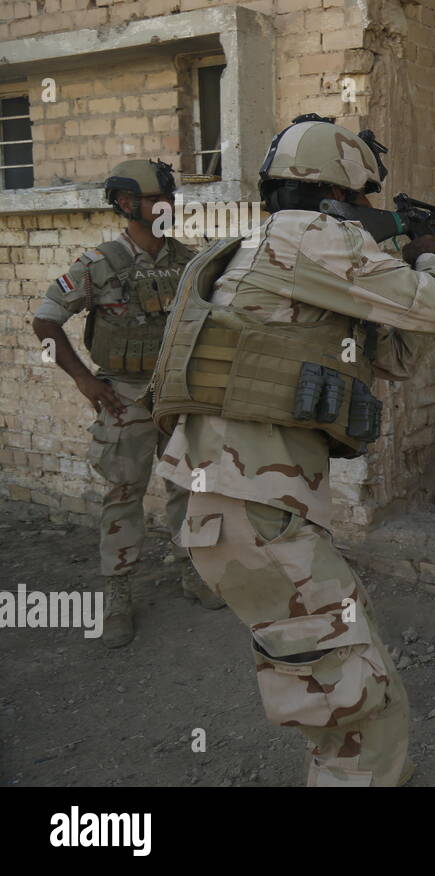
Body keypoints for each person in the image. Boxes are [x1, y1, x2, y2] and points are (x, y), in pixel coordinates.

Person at [150, 114, 435, 786]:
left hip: (243, 503)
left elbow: (394, 355)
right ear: (346, 192)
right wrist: (432, 257)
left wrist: (410, 257)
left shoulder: (269, 244)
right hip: (249, 507)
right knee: (357, 696)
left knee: (341, 673)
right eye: (366, 201)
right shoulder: (310, 238)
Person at [32, 159, 223, 649]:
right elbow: (46, 323)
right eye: (156, 198)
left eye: (170, 197)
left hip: (180, 395)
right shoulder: (99, 265)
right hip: (126, 398)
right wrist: (83, 381)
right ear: (124, 203)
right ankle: (118, 591)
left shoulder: (189, 261)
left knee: (190, 487)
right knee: (123, 494)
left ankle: (192, 571)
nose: (167, 205)